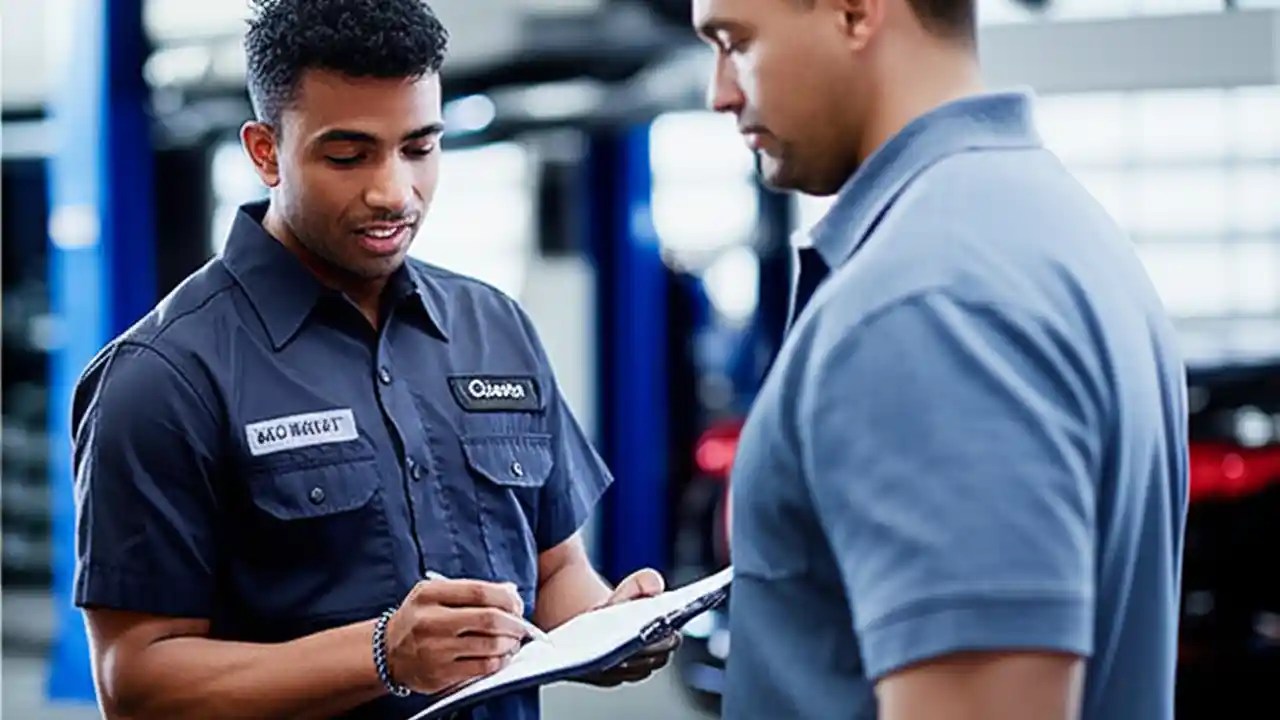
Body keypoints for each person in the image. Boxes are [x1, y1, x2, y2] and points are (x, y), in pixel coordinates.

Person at [70, 1, 677, 718]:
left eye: (419, 149)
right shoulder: (162, 377)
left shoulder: (495, 327)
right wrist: (383, 655)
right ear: (266, 151)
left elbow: (555, 571)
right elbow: (136, 684)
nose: (394, 192)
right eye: (348, 155)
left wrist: (609, 626)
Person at [692, 1, 1188, 718]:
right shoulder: (1046, 222)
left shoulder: (924, 301)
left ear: (856, 12)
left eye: (735, 42)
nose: (721, 92)